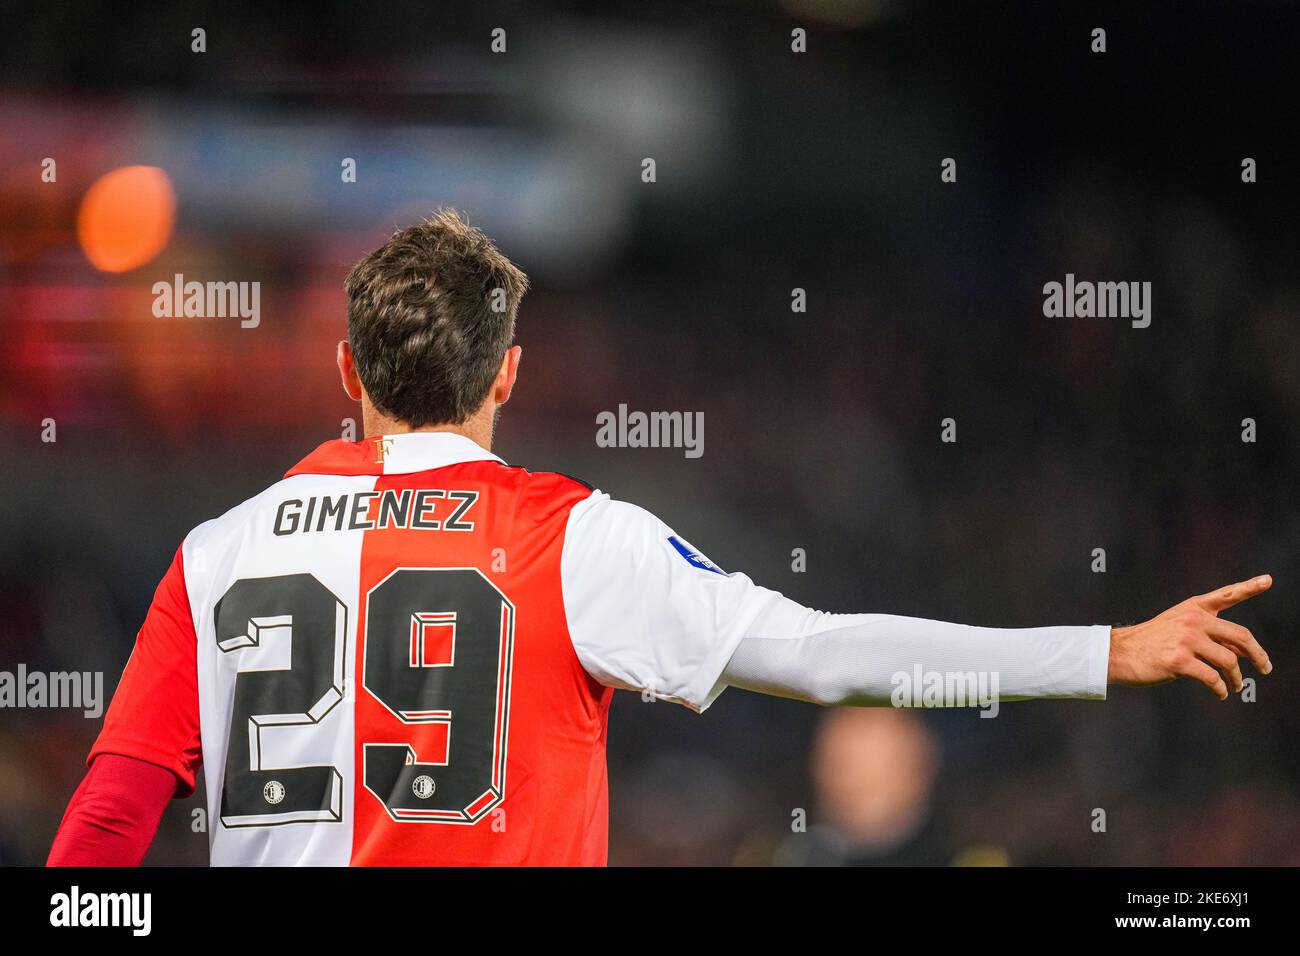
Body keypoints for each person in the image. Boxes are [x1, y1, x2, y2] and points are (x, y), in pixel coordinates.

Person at [47, 210, 1274, 866]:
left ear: (344, 369)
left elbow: (106, 823)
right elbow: (828, 657)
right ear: (509, 372)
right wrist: (1103, 649)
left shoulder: (217, 551)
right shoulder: (573, 538)